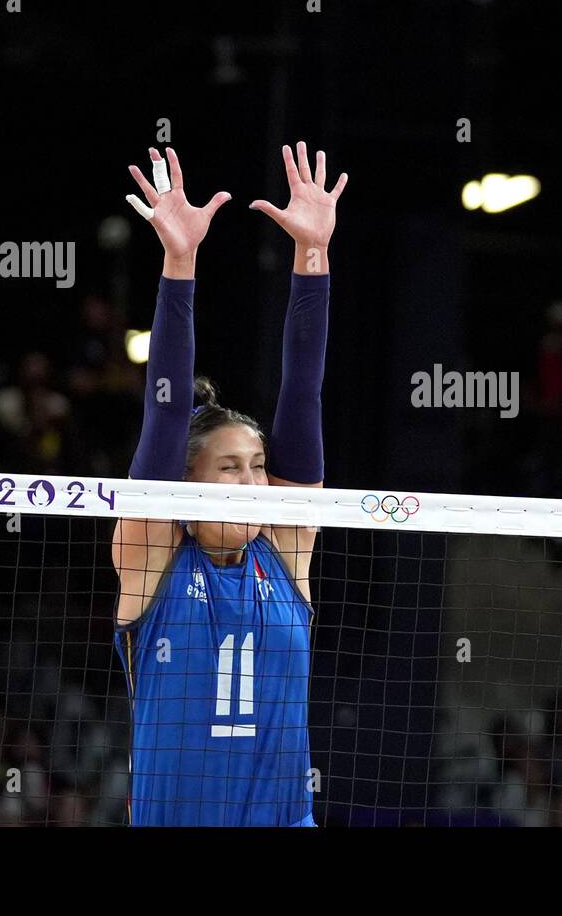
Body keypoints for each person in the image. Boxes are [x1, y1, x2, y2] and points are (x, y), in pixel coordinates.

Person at [111, 142, 347, 826]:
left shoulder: (287, 547)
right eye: (230, 467)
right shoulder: (151, 556)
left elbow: (304, 389)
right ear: (186, 483)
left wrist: (313, 257)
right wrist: (178, 262)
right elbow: (163, 411)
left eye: (257, 466)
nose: (252, 483)